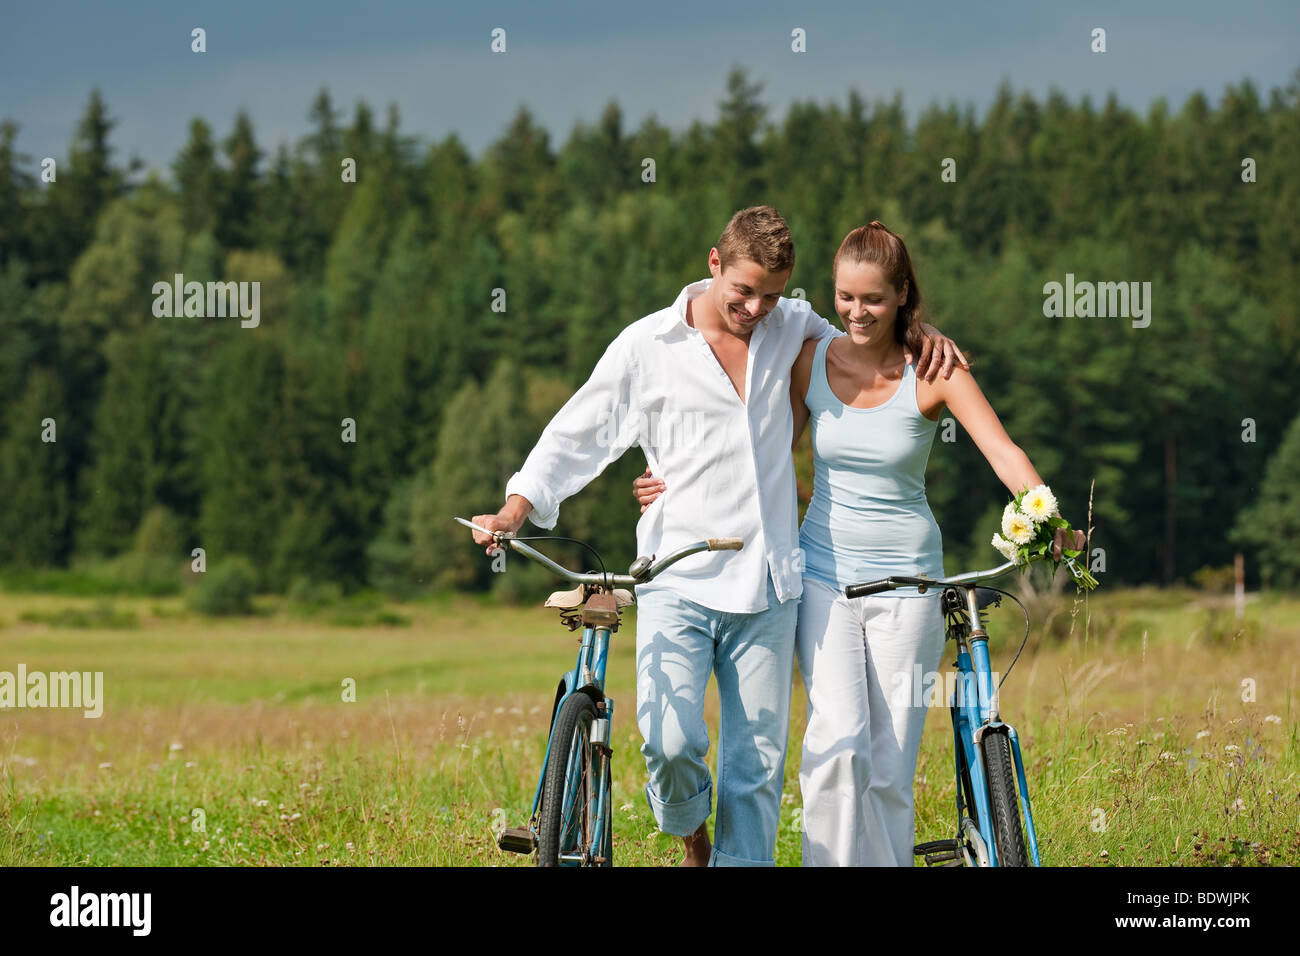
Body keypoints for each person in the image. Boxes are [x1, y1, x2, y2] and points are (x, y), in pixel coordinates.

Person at [471, 207, 965, 866]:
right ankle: (694, 838)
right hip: (676, 576)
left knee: (754, 776)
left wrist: (923, 329)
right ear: (714, 265)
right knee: (669, 742)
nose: (755, 307)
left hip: (769, 586)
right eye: (743, 291)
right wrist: (512, 510)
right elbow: (577, 432)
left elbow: (868, 330)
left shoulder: (794, 326)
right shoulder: (647, 346)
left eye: (770, 293)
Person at [635, 220, 1079, 866]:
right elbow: (756, 453)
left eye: (873, 298)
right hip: (823, 577)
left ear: (902, 295)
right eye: (845, 297)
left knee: (888, 765)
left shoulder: (934, 368)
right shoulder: (812, 360)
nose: (857, 311)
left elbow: (1002, 449)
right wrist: (670, 487)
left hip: (911, 582)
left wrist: (1046, 516)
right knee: (836, 749)